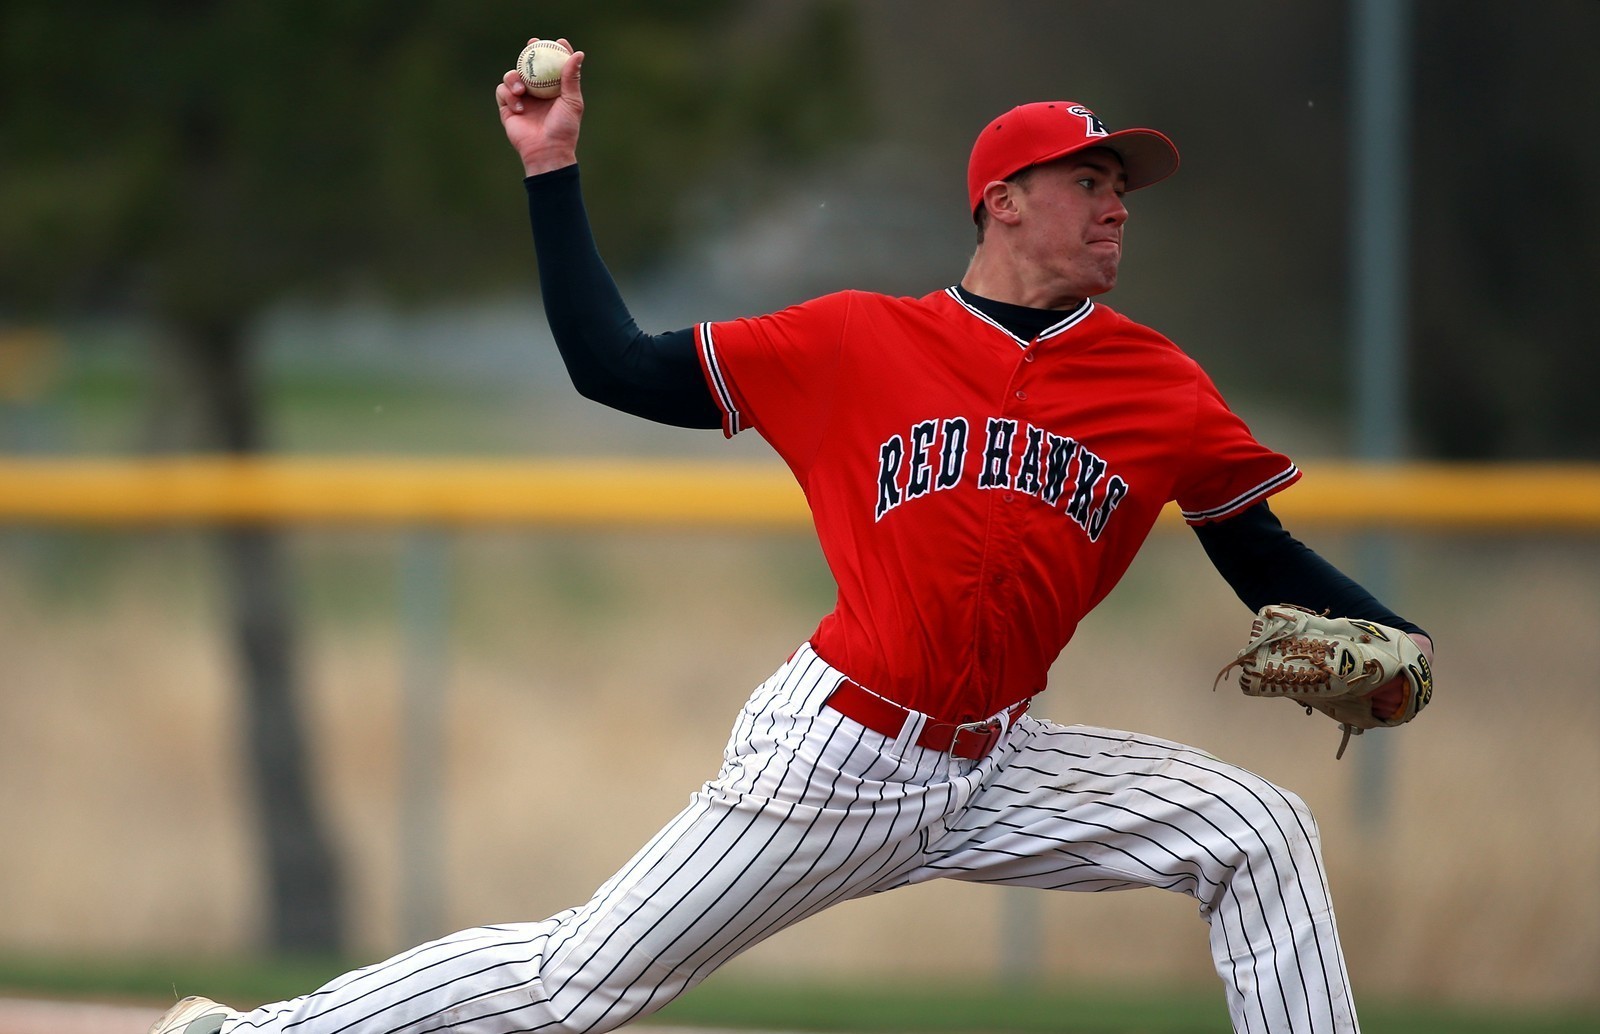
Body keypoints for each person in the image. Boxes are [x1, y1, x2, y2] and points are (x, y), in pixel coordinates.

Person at [152, 39, 1433, 1034]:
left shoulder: (1157, 384)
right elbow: (610, 365)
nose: (1116, 208)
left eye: (1120, 189)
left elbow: (1254, 551)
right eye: (1088, 182)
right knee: (576, 981)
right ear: (1001, 200)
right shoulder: (851, 340)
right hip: (837, 759)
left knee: (1254, 832)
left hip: (999, 765)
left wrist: (1396, 634)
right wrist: (552, 171)